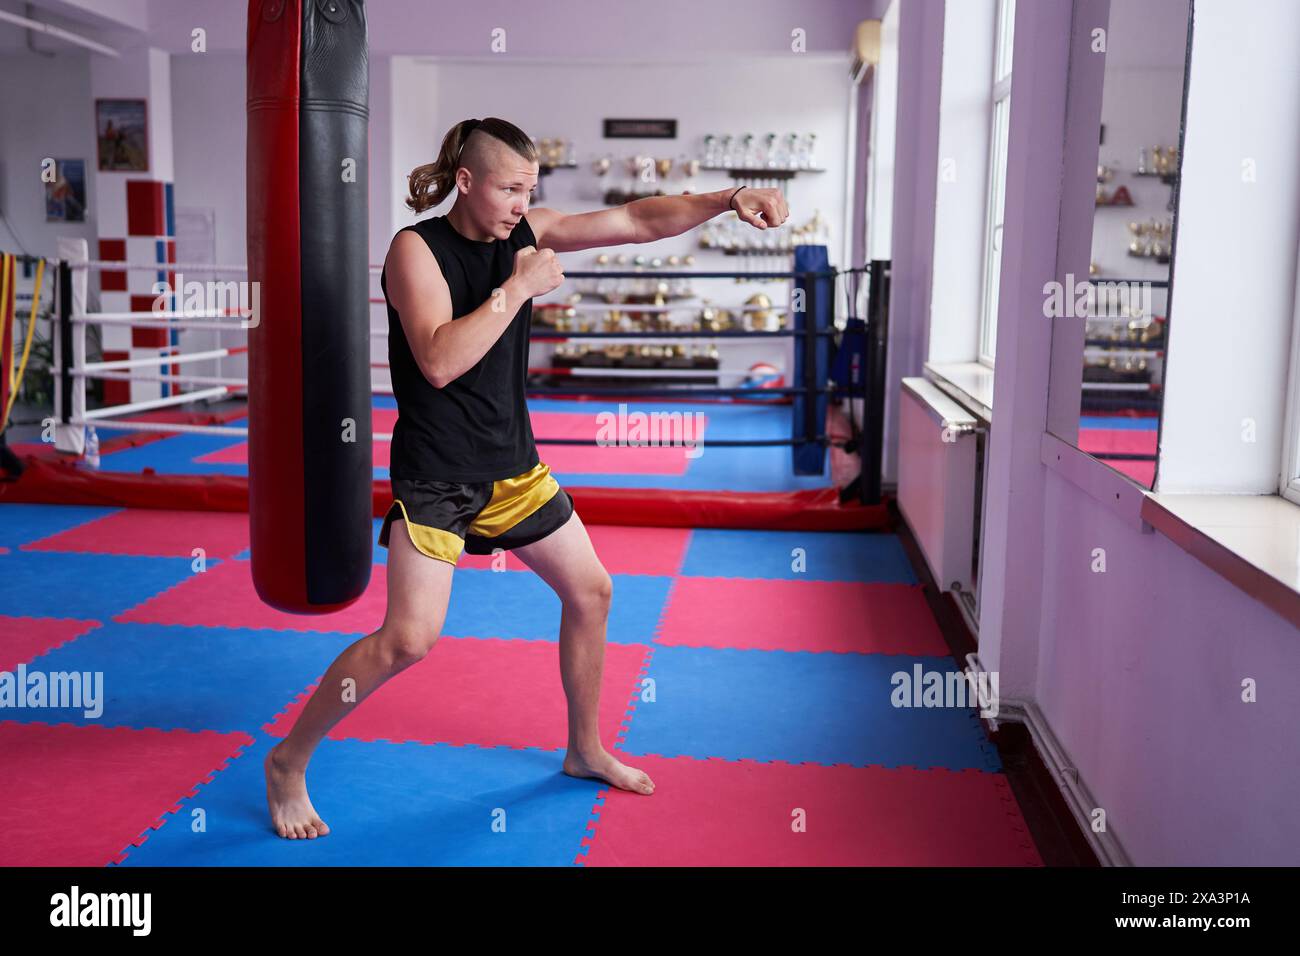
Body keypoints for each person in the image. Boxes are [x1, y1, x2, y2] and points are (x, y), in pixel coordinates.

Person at [265, 116, 789, 839]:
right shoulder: (415, 251)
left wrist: (730, 197)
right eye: (510, 188)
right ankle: (289, 761)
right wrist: (519, 289)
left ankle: (584, 748)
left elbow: (638, 218)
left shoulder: (528, 232)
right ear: (467, 181)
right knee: (408, 640)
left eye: (529, 190)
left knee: (592, 591)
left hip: (515, 470)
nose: (522, 203)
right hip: (437, 476)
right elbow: (440, 360)